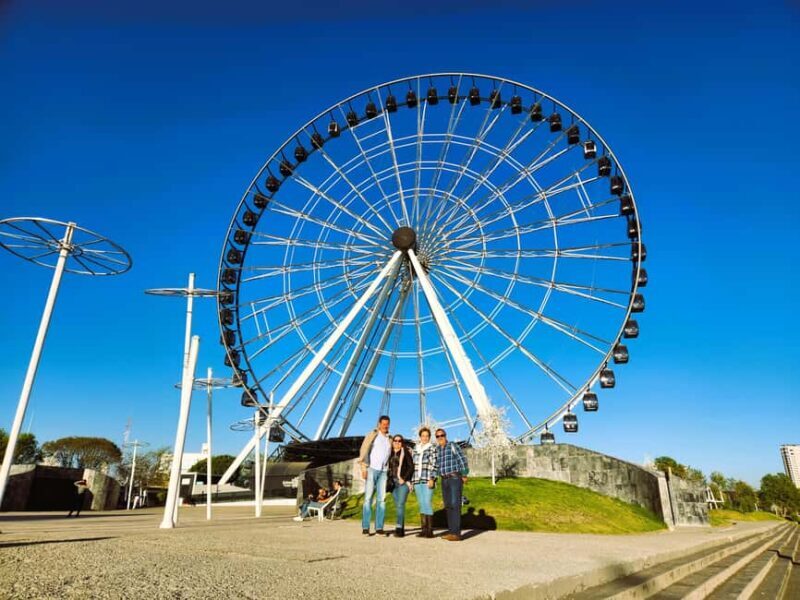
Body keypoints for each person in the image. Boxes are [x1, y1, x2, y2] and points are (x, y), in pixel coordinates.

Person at [358, 415, 392, 535]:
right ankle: (366, 526)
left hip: (384, 472)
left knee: (381, 500)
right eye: (383, 424)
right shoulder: (372, 435)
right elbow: (363, 450)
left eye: (387, 424)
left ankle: (379, 527)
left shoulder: (390, 439)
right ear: (379, 424)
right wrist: (363, 468)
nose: (385, 426)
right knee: (368, 499)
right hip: (372, 469)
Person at [435, 428, 469, 541]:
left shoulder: (452, 445)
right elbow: (437, 465)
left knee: (455, 504)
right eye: (438, 436)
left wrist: (464, 474)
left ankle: (456, 533)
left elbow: (462, 459)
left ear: (445, 436)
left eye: (442, 435)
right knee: (448, 505)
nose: (440, 437)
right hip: (444, 480)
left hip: (454, 478)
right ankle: (451, 532)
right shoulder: (437, 450)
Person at [411, 426, 437, 538]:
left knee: (427, 502)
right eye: (423, 436)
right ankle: (423, 530)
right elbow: (412, 465)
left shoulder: (432, 448)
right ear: (420, 437)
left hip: (427, 479)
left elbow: (435, 464)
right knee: (421, 504)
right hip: (417, 479)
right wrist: (411, 481)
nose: (425, 438)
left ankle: (430, 531)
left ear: (429, 437)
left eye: (427, 436)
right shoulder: (415, 449)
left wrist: (432, 478)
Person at [387, 435, 414, 537]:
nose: (397, 442)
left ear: (402, 442)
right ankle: (400, 528)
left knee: (400, 504)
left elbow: (411, 467)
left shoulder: (405, 452)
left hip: (403, 483)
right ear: (392, 442)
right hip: (393, 483)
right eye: (395, 440)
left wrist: (404, 478)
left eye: (399, 441)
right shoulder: (389, 453)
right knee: (398, 505)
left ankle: (399, 528)